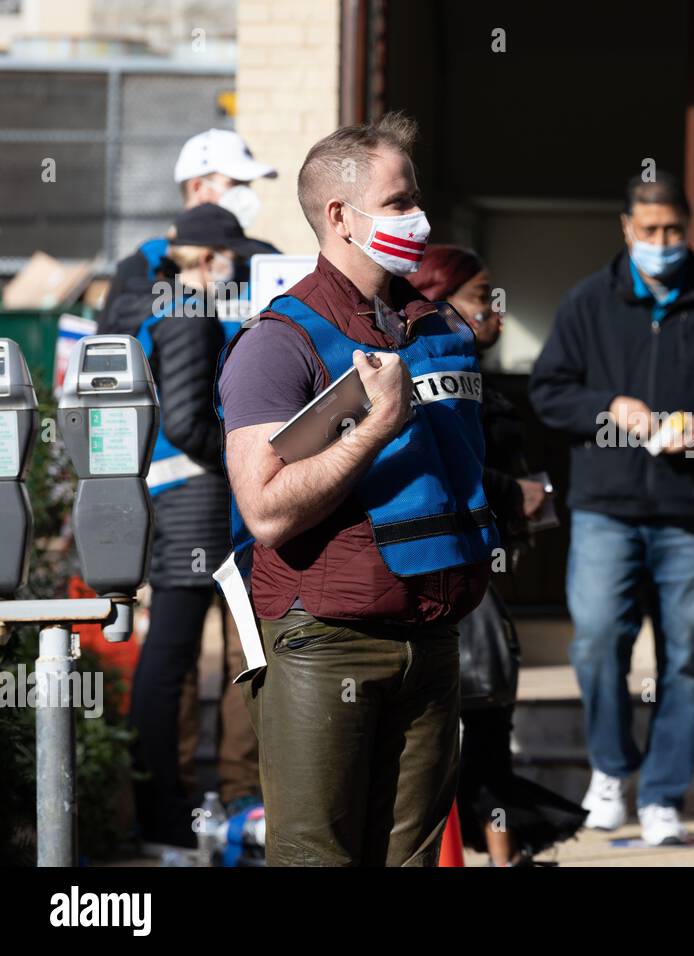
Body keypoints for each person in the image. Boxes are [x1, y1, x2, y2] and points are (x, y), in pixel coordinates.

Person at [215, 112, 497, 866]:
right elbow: (266, 512)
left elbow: (453, 467)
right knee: (319, 858)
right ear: (341, 216)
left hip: (433, 635)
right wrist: (371, 431)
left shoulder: (437, 325)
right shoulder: (280, 342)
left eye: (414, 198)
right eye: (400, 202)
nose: (419, 217)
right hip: (325, 639)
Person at [528, 172, 694, 846]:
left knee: (686, 657)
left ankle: (665, 794)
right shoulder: (588, 302)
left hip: (690, 512)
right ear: (626, 229)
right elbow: (549, 390)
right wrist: (608, 406)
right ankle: (610, 771)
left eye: (672, 232)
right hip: (607, 507)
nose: (661, 243)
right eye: (649, 231)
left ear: (687, 229)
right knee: (597, 641)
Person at [411, 245, 586, 866]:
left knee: (488, 730)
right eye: (483, 298)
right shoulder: (426, 383)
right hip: (442, 580)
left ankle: (505, 855)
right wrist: (515, 493)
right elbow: (437, 476)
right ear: (437, 300)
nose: (498, 315)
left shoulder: (476, 383)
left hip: (480, 572)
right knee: (471, 725)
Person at [129, 203, 264, 849]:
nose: (237, 268)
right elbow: (186, 420)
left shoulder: (165, 310)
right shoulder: (190, 315)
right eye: (232, 257)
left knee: (174, 659)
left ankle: (169, 813)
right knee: (175, 660)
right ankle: (165, 815)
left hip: (181, 501)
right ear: (207, 260)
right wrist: (249, 456)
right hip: (196, 504)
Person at [101, 129, 278, 337]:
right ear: (197, 187)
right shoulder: (144, 265)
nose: (246, 194)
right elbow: (108, 355)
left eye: (248, 185)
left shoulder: (266, 262)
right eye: (235, 184)